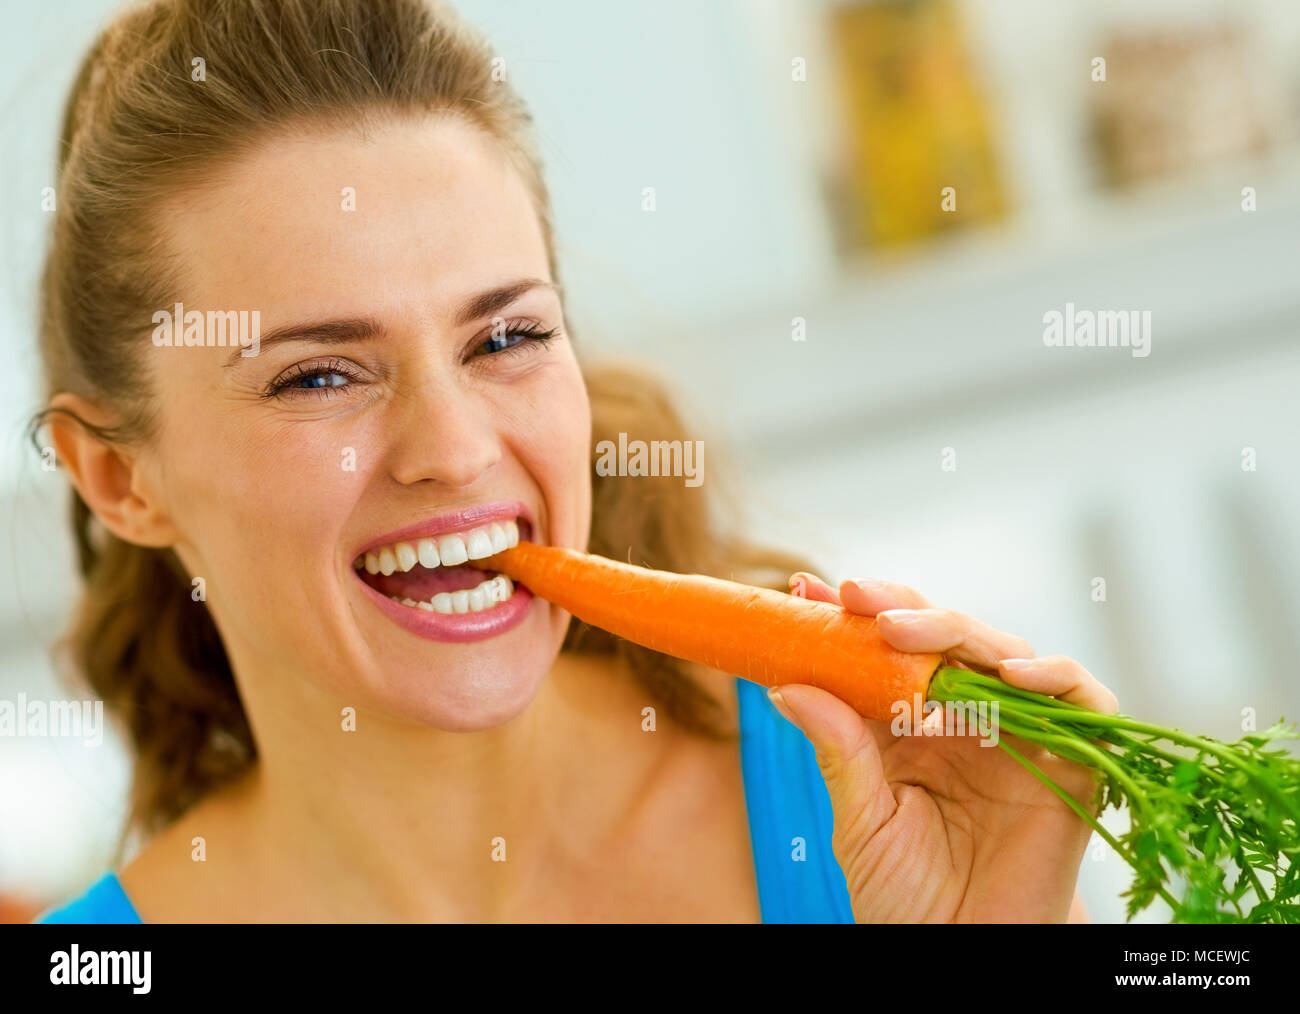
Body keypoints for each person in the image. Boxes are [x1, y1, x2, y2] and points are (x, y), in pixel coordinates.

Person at [33, 0, 1115, 923]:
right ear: (120, 479)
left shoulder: (862, 810)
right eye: (318, 377)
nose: (454, 451)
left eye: (504, 340)